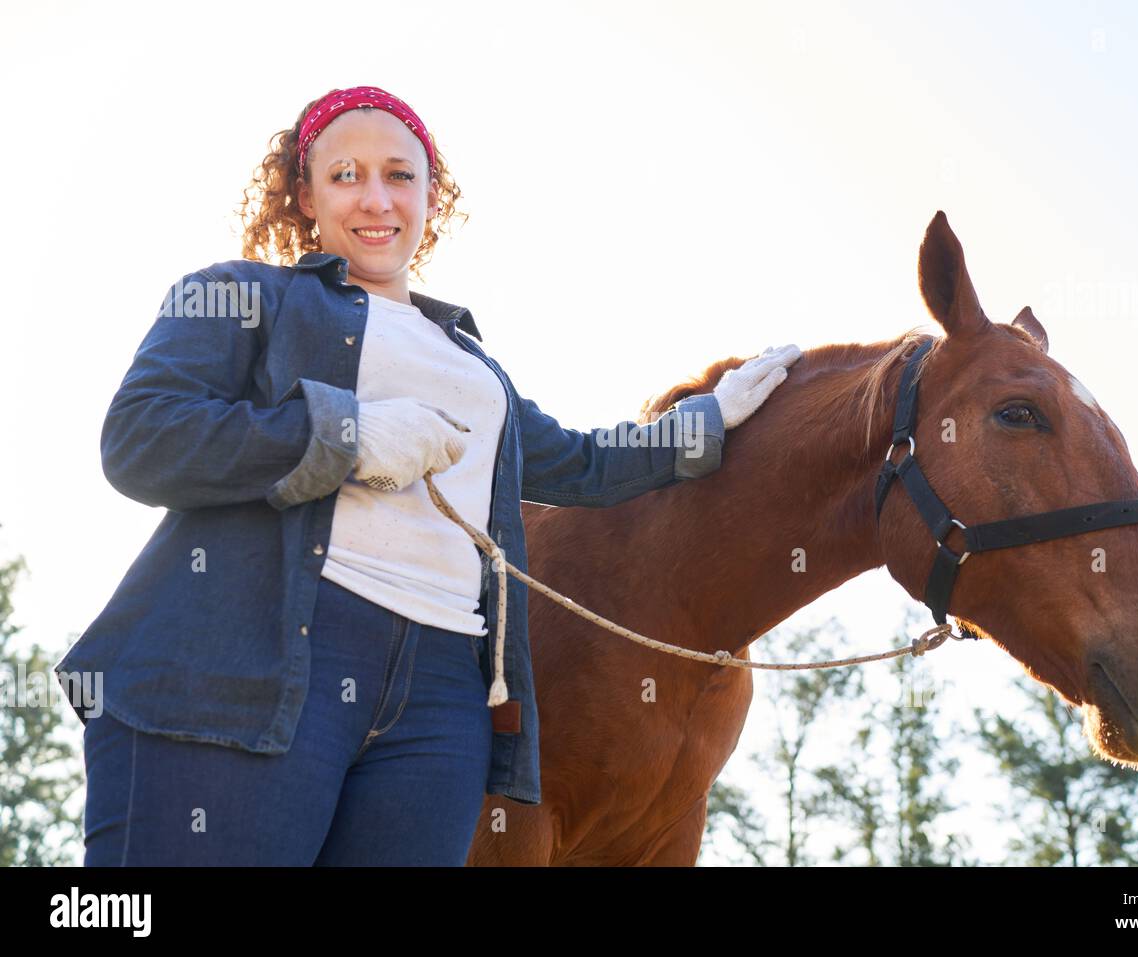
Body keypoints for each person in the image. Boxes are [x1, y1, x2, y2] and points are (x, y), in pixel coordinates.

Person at [56, 85, 801, 866]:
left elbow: (585, 464)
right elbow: (142, 436)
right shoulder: (243, 295)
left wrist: (705, 424)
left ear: (430, 195)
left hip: (443, 696)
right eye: (345, 175)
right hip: (252, 660)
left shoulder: (473, 364)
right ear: (305, 195)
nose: (376, 198)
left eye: (399, 175)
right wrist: (346, 435)